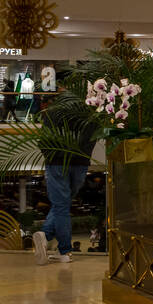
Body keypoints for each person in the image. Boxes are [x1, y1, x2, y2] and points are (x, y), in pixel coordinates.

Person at [33, 100, 98, 264]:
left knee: (61, 205)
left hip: (56, 162)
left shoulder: (54, 110)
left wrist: (50, 155)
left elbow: (44, 139)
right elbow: (92, 137)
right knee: (63, 203)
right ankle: (46, 237)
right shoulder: (89, 111)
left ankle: (63, 250)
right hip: (80, 163)